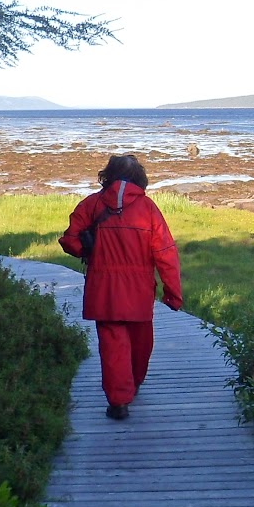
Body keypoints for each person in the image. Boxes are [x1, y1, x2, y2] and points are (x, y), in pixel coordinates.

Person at [59, 154, 184, 420]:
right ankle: (134, 384)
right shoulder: (148, 209)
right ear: (140, 179)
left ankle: (119, 402)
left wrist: (88, 249)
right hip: (139, 292)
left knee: (113, 347)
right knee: (141, 343)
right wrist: (172, 293)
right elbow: (165, 253)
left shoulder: (91, 205)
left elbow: (69, 241)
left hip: (103, 290)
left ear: (107, 176)